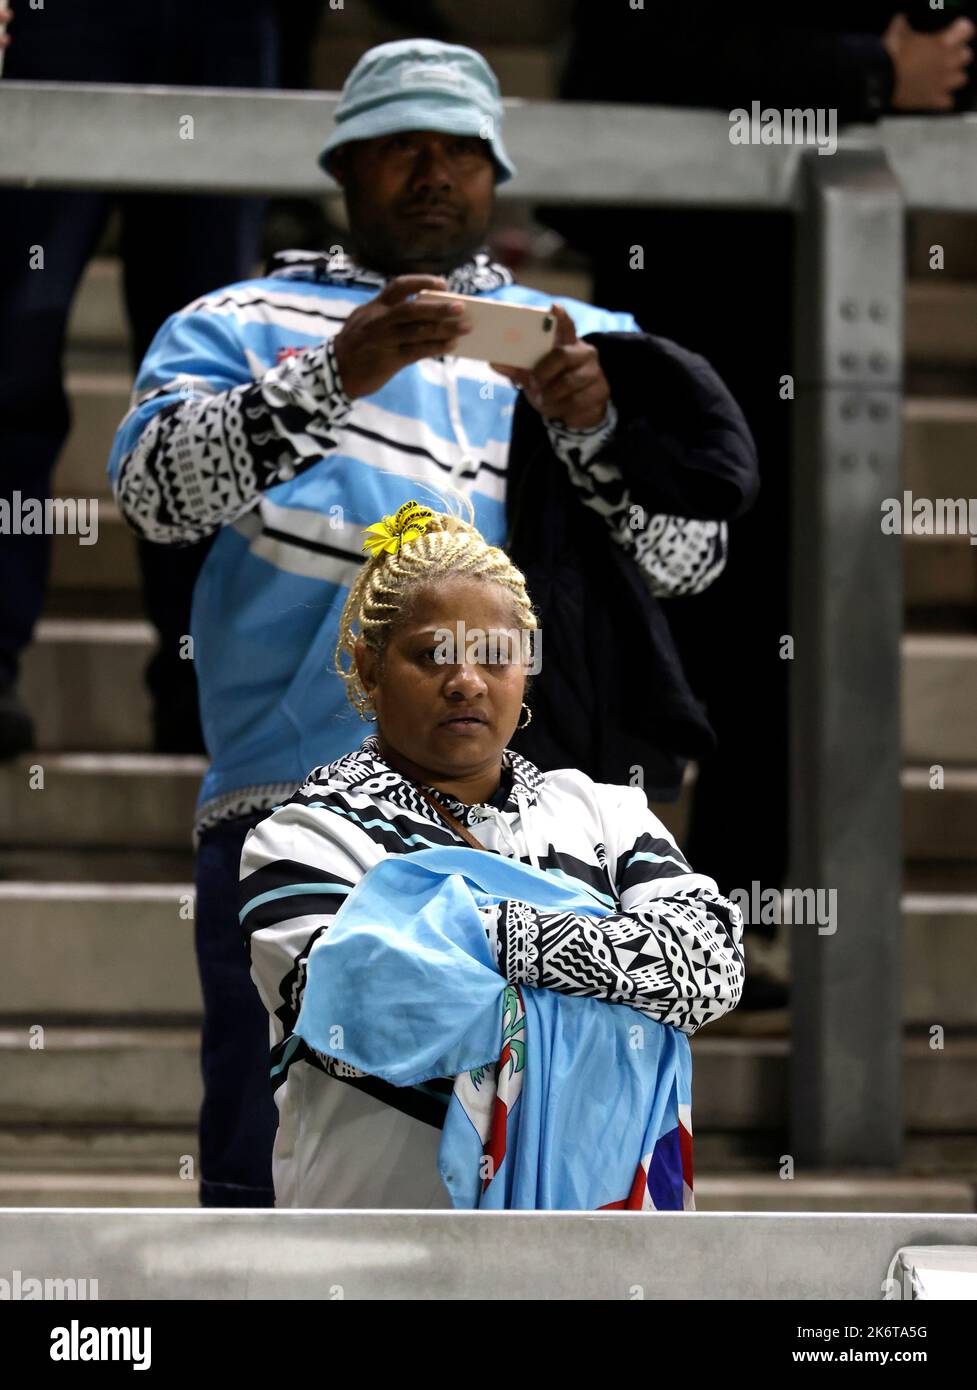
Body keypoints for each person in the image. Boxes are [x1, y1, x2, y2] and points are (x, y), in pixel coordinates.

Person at [108, 38, 754, 1206]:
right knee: (281, 1162)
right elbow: (154, 492)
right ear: (343, 166)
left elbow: (686, 558)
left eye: (462, 150)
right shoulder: (240, 319)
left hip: (528, 827)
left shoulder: (584, 336)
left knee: (545, 1167)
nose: (433, 173)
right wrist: (328, 376)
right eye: (402, 145)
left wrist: (598, 432)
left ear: (496, 176)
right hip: (289, 810)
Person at [543, 2, 976, 1008]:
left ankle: (743, 912)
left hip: (821, 288)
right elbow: (633, 52)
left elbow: (942, 58)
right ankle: (599, 902)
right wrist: (866, 70)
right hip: (675, 287)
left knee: (787, 609)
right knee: (652, 598)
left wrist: (893, 69)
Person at [240, 502, 745, 1208]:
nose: (467, 681)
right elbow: (355, 1007)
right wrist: (615, 981)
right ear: (368, 667)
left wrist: (481, 934)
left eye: (494, 657)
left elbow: (708, 967)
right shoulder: (308, 838)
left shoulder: (605, 811)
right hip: (375, 1255)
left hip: (592, 1259)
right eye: (431, 656)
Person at [0, 0, 279, 757]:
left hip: (222, 30)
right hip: (54, 21)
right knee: (12, 357)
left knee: (206, 385)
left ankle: (200, 696)